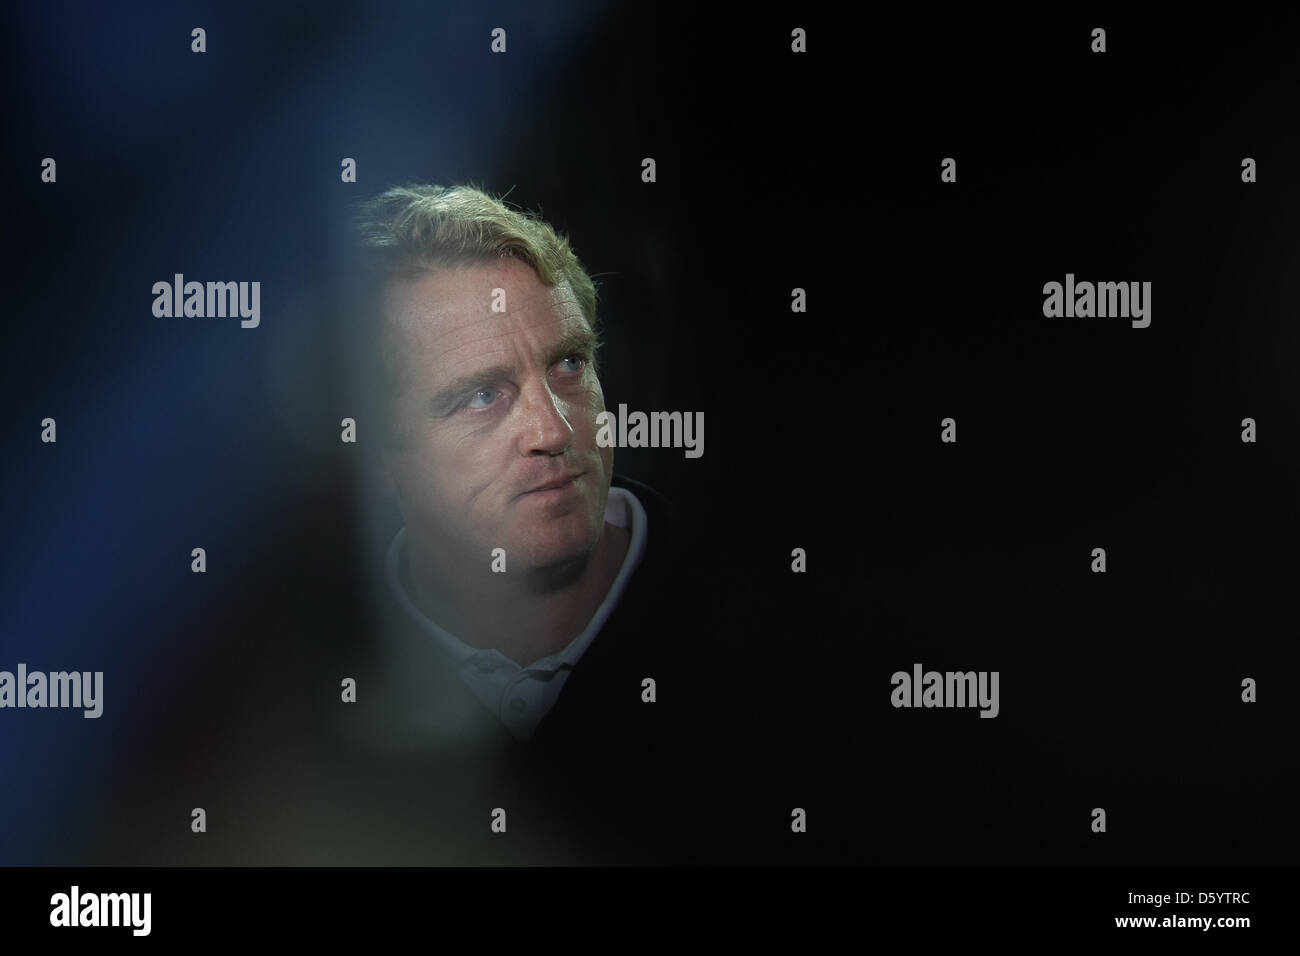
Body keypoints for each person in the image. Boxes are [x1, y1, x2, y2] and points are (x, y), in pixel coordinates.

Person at [328, 183, 740, 863]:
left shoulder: (759, 632)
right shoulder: (303, 698)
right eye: (482, 396)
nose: (553, 429)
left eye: (569, 364)